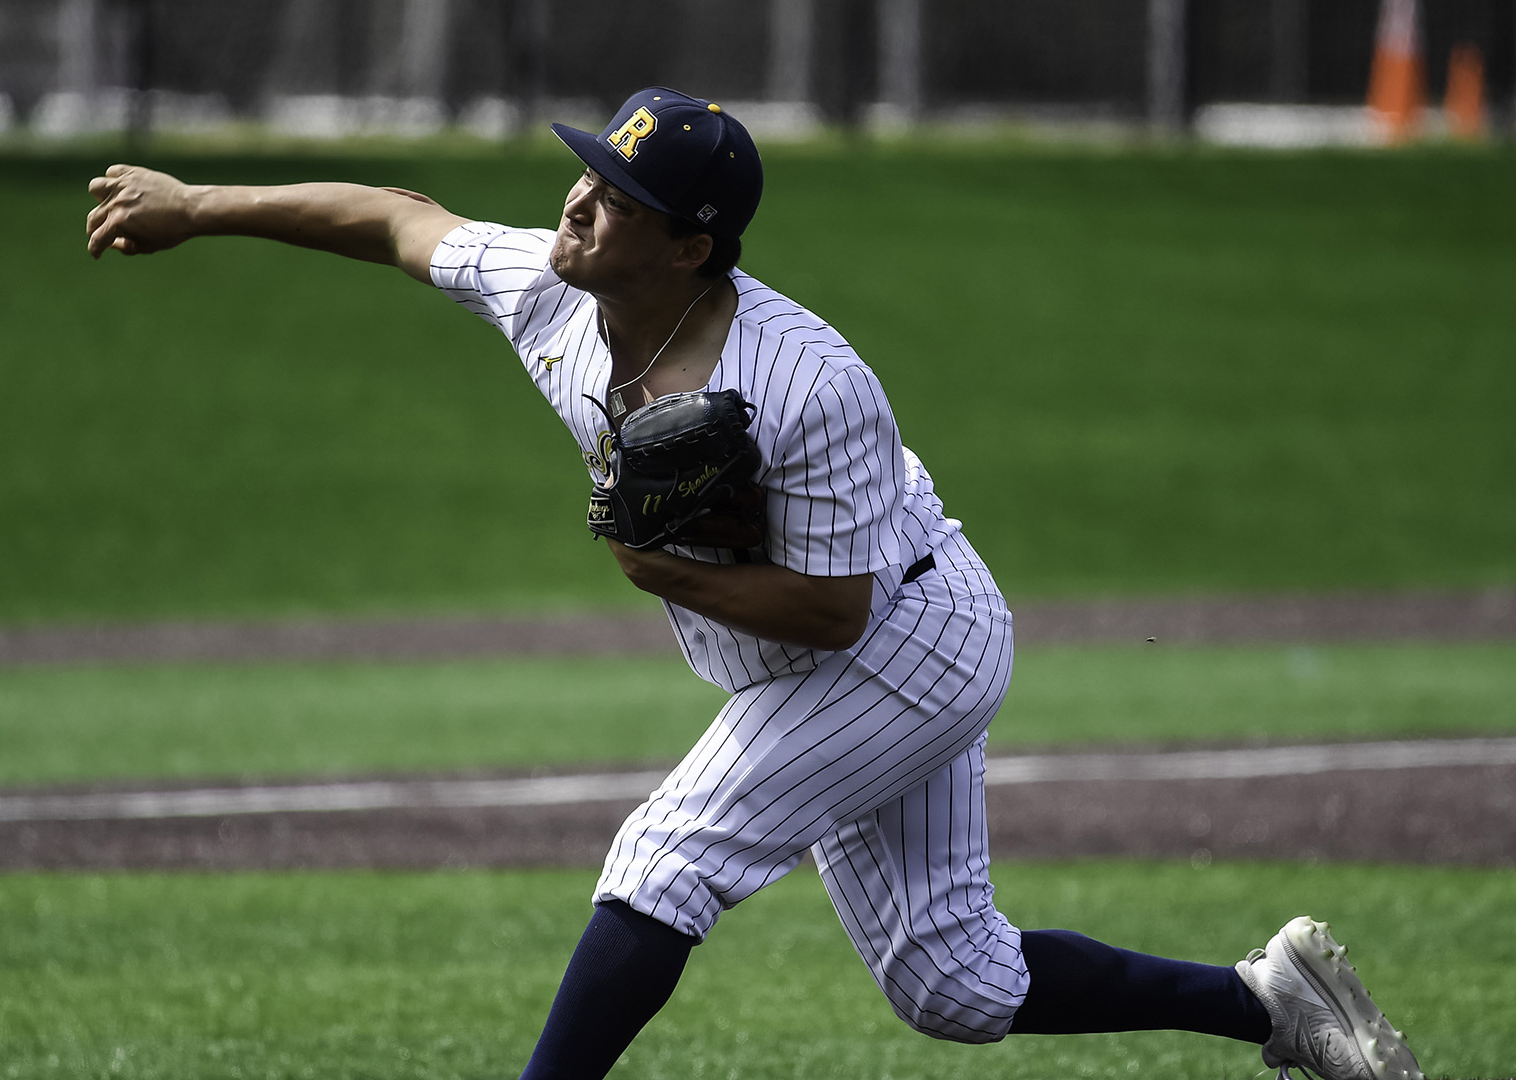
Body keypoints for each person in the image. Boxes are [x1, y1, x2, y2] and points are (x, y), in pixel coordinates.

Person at [84, 87, 1423, 1080]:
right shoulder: (553, 290)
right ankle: (1271, 1004)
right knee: (953, 985)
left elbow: (837, 616)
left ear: (689, 248)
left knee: (665, 854)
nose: (582, 198)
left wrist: (654, 566)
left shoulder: (809, 380)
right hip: (821, 650)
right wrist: (199, 208)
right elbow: (396, 220)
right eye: (592, 167)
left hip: (904, 636)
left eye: (621, 193)